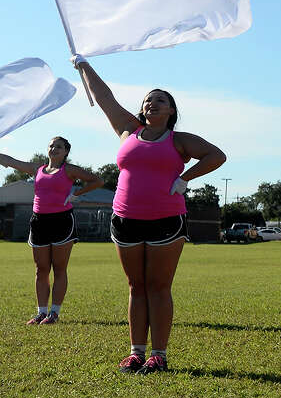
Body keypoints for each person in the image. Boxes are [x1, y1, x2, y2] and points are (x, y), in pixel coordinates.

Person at [73, 57, 226, 374]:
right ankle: (135, 352)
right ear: (142, 110)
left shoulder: (179, 140)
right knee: (135, 286)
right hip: (125, 219)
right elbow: (104, 98)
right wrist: (84, 66)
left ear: (171, 111)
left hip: (166, 221)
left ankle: (159, 354)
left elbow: (217, 155)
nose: (153, 103)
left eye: (161, 100)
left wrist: (186, 179)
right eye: (148, 100)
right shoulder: (128, 130)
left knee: (158, 287)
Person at [0, 138, 103, 325]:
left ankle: (54, 313)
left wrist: (75, 195)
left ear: (65, 152)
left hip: (62, 221)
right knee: (41, 270)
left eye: (59, 147)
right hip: (39, 221)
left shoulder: (69, 170)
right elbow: (10, 161)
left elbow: (98, 180)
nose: (54, 149)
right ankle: (41, 312)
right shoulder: (37, 169)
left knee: (59, 269)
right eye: (51, 146)